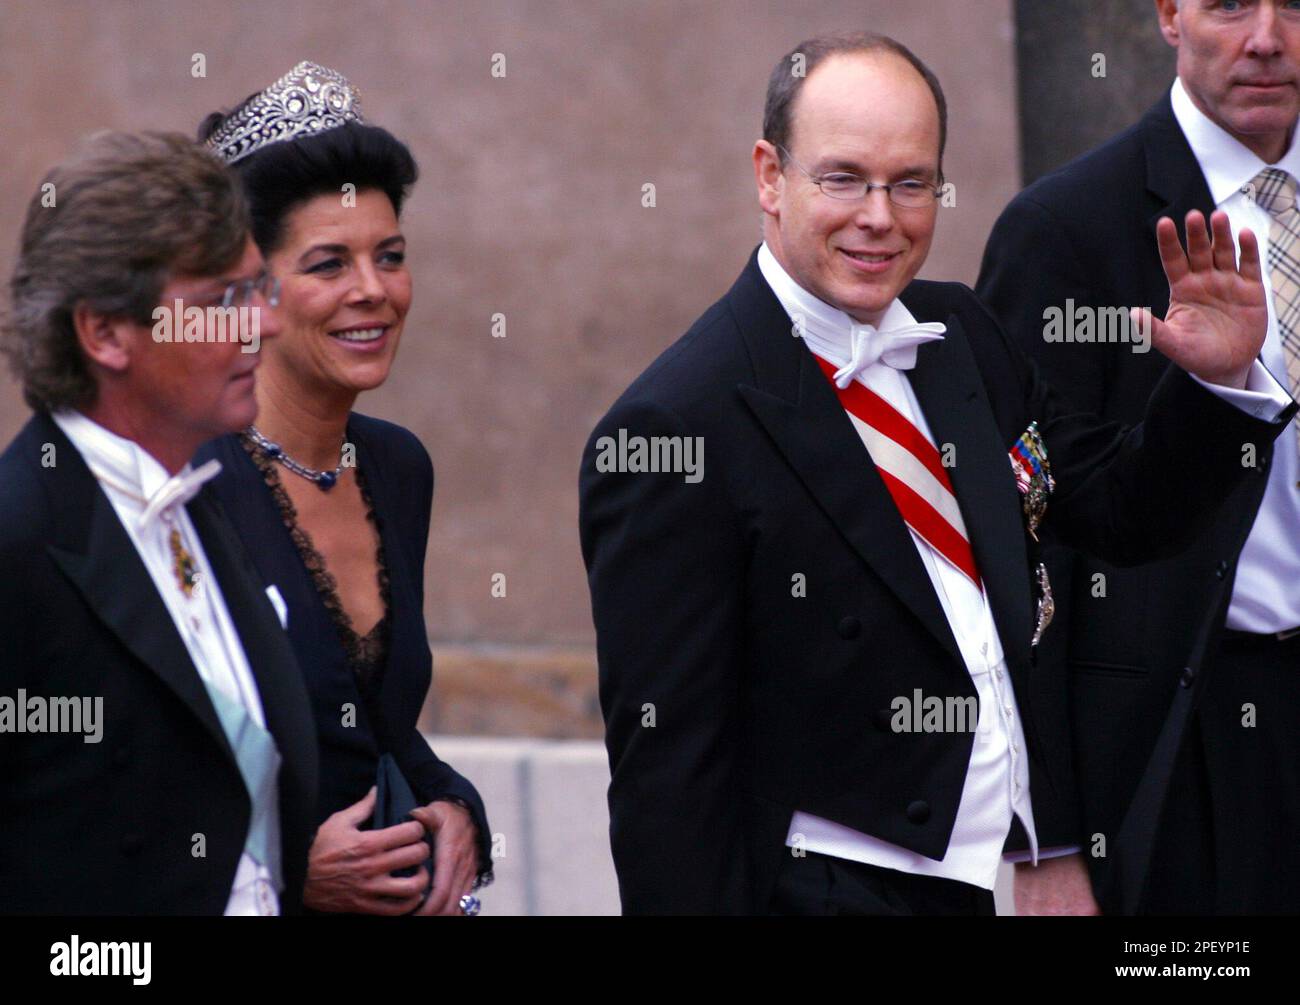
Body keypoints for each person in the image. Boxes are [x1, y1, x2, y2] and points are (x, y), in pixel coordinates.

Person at [578, 30, 1295, 915]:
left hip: (966, 889)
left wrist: (1215, 385)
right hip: (812, 894)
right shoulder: (676, 426)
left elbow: (1117, 511)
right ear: (769, 175)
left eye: (911, 182)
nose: (881, 215)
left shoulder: (962, 337)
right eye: (843, 178)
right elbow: (669, 784)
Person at [978, 0, 1300, 915]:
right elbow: (1030, 538)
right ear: (1168, 13)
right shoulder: (1066, 228)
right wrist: (1047, 833)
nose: (1269, 37)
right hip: (1177, 748)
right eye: (1231, 3)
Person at [194, 62, 491, 916]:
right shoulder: (189, 485)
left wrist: (455, 806)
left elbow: (373, 724)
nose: (373, 290)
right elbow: (127, 781)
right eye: (329, 263)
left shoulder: (398, 468)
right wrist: (287, 868)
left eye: (389, 257)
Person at [0, 130, 318, 914]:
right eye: (221, 303)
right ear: (105, 332)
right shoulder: (17, 542)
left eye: (258, 291)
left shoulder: (207, 499)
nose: (264, 327)